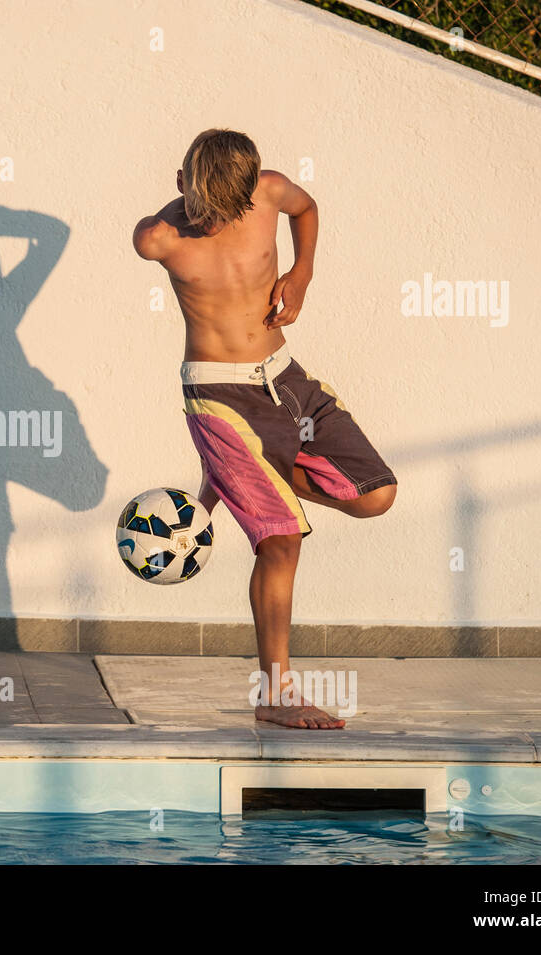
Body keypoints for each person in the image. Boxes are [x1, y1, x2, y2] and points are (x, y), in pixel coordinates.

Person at [132, 129, 397, 729]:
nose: (213, 219)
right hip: (219, 397)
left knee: (376, 495)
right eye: (201, 203)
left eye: (226, 207)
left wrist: (302, 273)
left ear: (253, 190)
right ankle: (275, 694)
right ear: (181, 185)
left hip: (283, 375)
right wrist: (192, 200)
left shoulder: (274, 193)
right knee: (281, 542)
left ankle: (237, 481)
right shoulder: (159, 237)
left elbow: (308, 209)